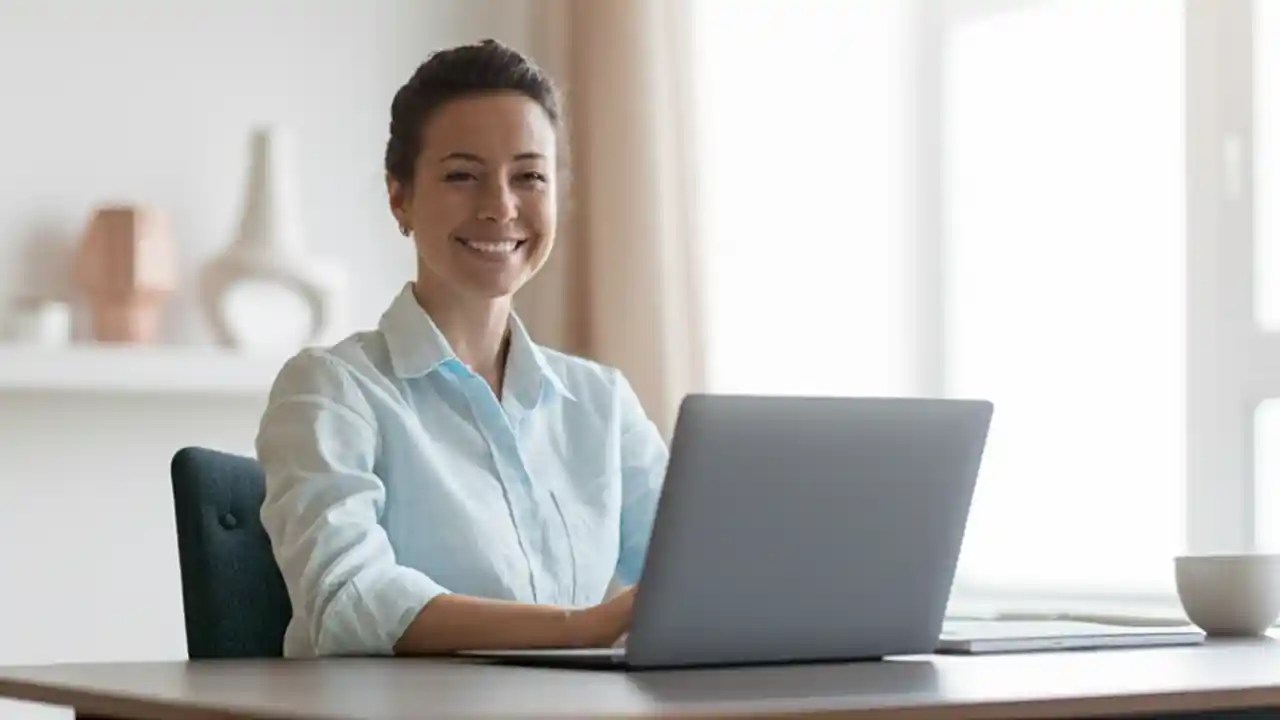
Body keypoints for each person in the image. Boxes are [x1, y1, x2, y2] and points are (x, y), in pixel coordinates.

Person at [255, 39, 668, 658]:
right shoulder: (331, 390)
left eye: (529, 176)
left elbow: (693, 574)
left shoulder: (600, 403)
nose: (500, 207)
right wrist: (580, 628)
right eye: (461, 175)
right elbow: (349, 600)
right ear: (401, 197)